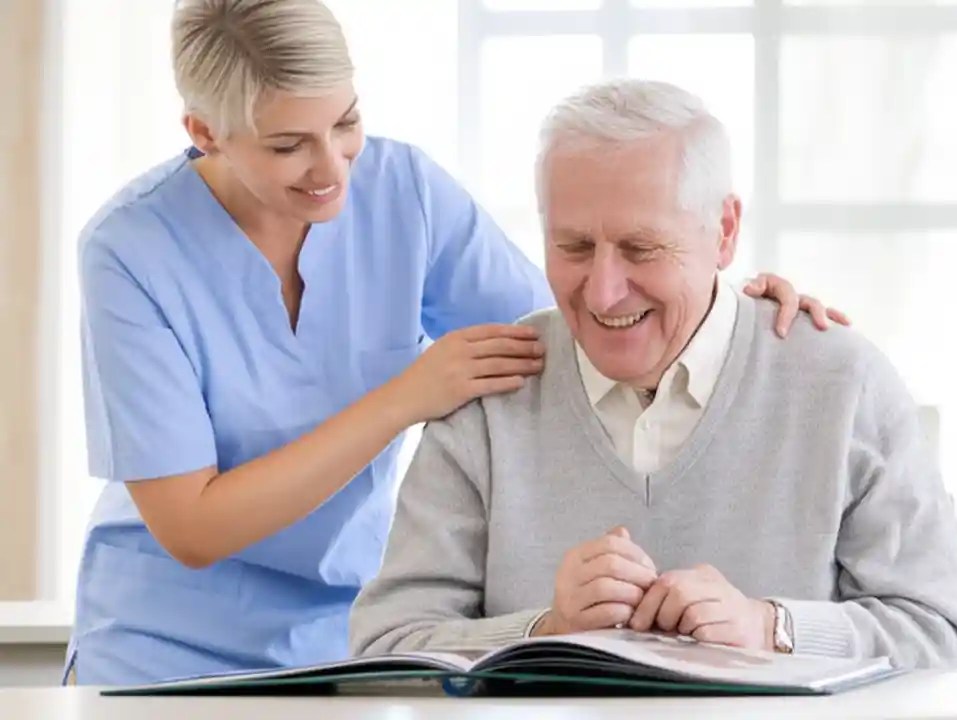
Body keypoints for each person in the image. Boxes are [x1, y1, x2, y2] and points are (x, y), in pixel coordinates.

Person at [70, 0, 842, 686]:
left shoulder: (403, 194)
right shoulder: (131, 251)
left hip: (342, 645)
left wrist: (713, 296)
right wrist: (405, 398)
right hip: (161, 655)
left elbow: (580, 335)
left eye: (345, 123)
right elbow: (193, 527)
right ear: (205, 133)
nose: (333, 168)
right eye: (287, 146)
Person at [349, 79, 957, 669]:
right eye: (572, 247)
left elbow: (947, 641)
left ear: (725, 232)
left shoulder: (844, 383)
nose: (602, 293)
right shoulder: (490, 397)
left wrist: (774, 630)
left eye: (640, 249)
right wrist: (544, 631)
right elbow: (386, 642)